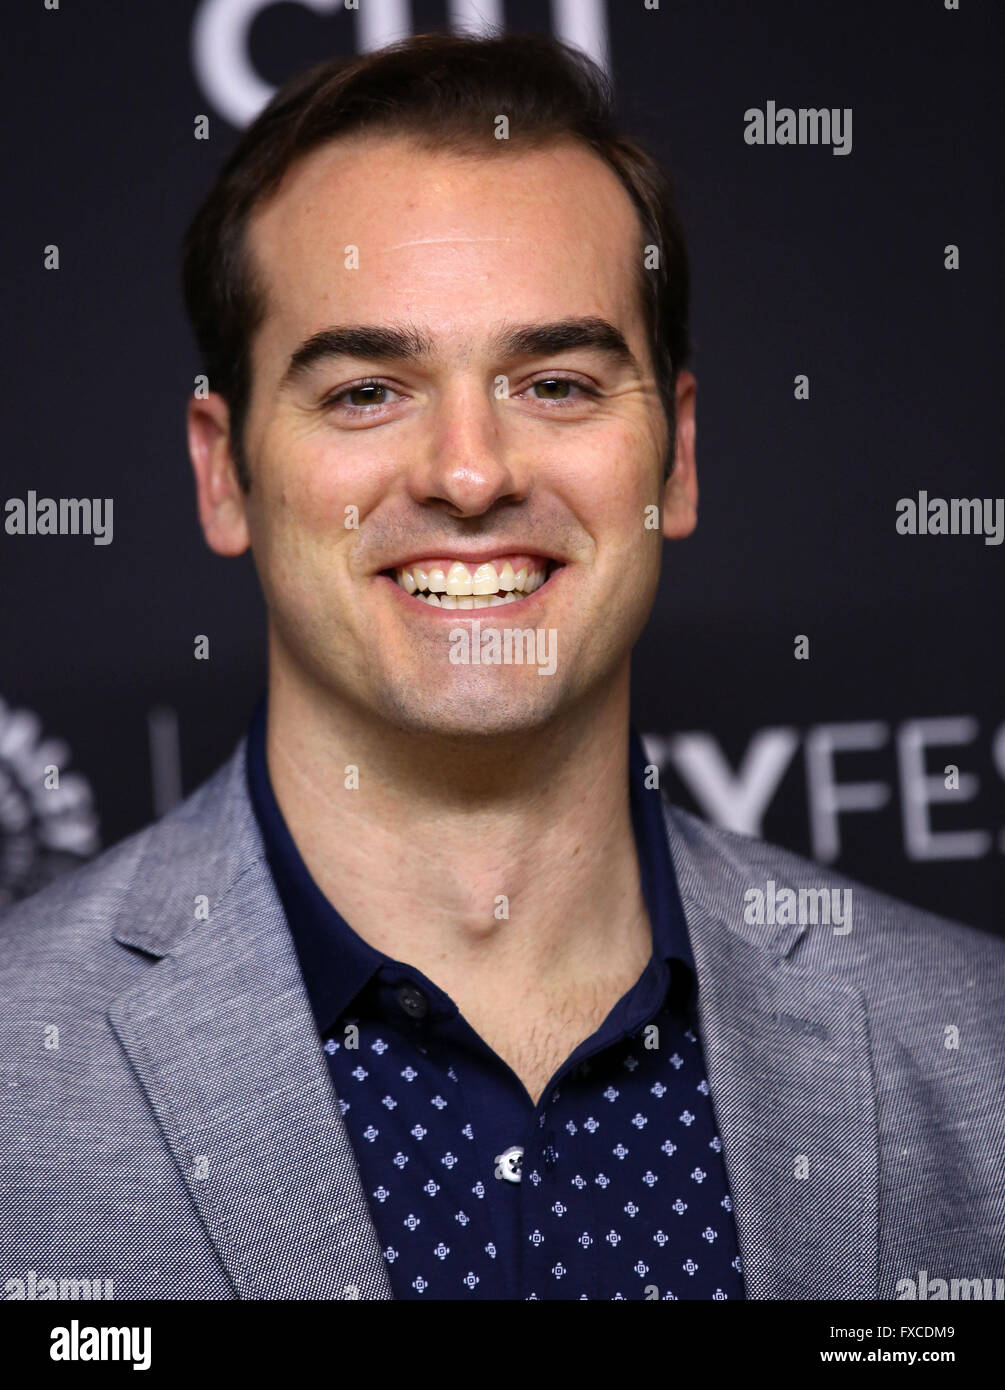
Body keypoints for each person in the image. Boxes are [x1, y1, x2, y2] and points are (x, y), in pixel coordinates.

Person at [2, 31, 1002, 1303]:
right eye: (368, 390)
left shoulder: (974, 1060)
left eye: (558, 383)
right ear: (222, 471)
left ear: (677, 458)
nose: (471, 473)